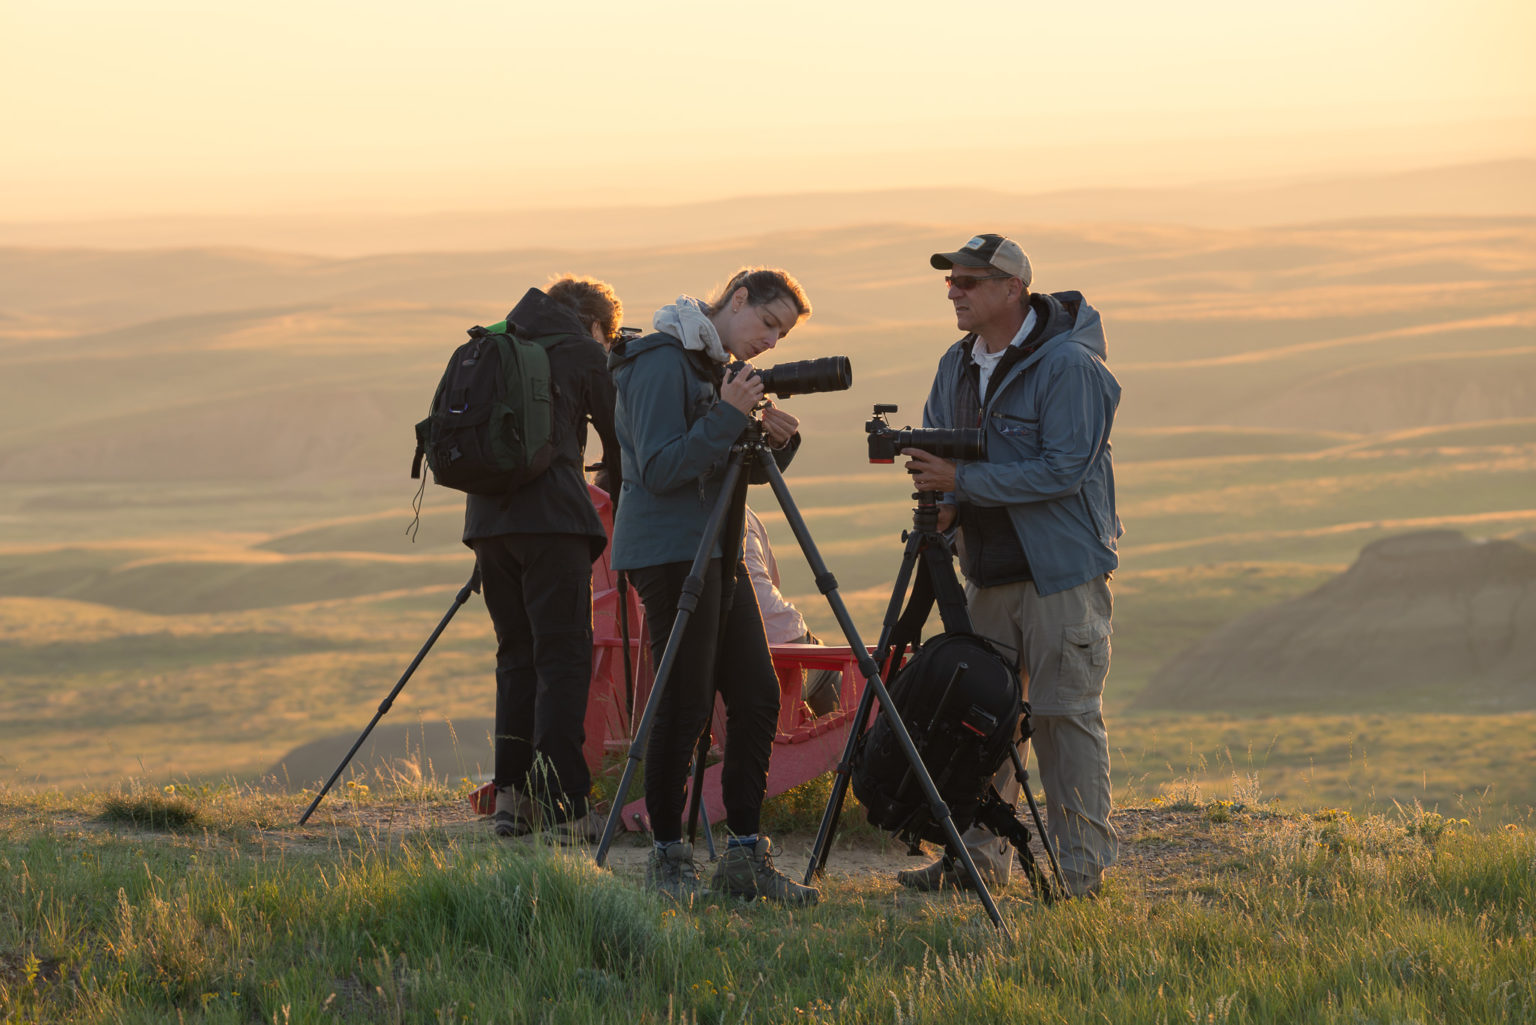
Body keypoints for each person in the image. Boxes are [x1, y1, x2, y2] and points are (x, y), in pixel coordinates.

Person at [901, 233, 1121, 898]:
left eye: (968, 282)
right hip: (988, 575)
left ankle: (1081, 870)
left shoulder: (1070, 368)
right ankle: (977, 861)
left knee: (1061, 717)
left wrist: (962, 483)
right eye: (951, 282)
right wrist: (943, 507)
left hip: (1060, 576)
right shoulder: (956, 364)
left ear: (1011, 289)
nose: (954, 293)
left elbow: (1062, 469)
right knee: (979, 720)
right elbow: (941, 456)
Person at [608, 267, 820, 905]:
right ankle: (670, 858)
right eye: (769, 323)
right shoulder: (660, 361)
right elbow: (659, 465)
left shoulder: (714, 367)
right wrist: (728, 415)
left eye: (781, 335)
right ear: (737, 298)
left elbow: (729, 470)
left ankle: (744, 857)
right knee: (687, 703)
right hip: (671, 554)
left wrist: (769, 436)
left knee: (756, 697)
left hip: (718, 550)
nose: (771, 342)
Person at [463, 276, 623, 839]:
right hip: (553, 525)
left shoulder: (497, 341)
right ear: (596, 325)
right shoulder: (583, 352)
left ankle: (512, 798)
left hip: (487, 527)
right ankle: (566, 805)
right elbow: (619, 439)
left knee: (516, 658)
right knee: (563, 660)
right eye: (612, 335)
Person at [742, 506, 842, 716]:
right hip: (776, 645)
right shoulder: (743, 513)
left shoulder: (674, 522)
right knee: (828, 671)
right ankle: (850, 744)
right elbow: (771, 584)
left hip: (716, 656)